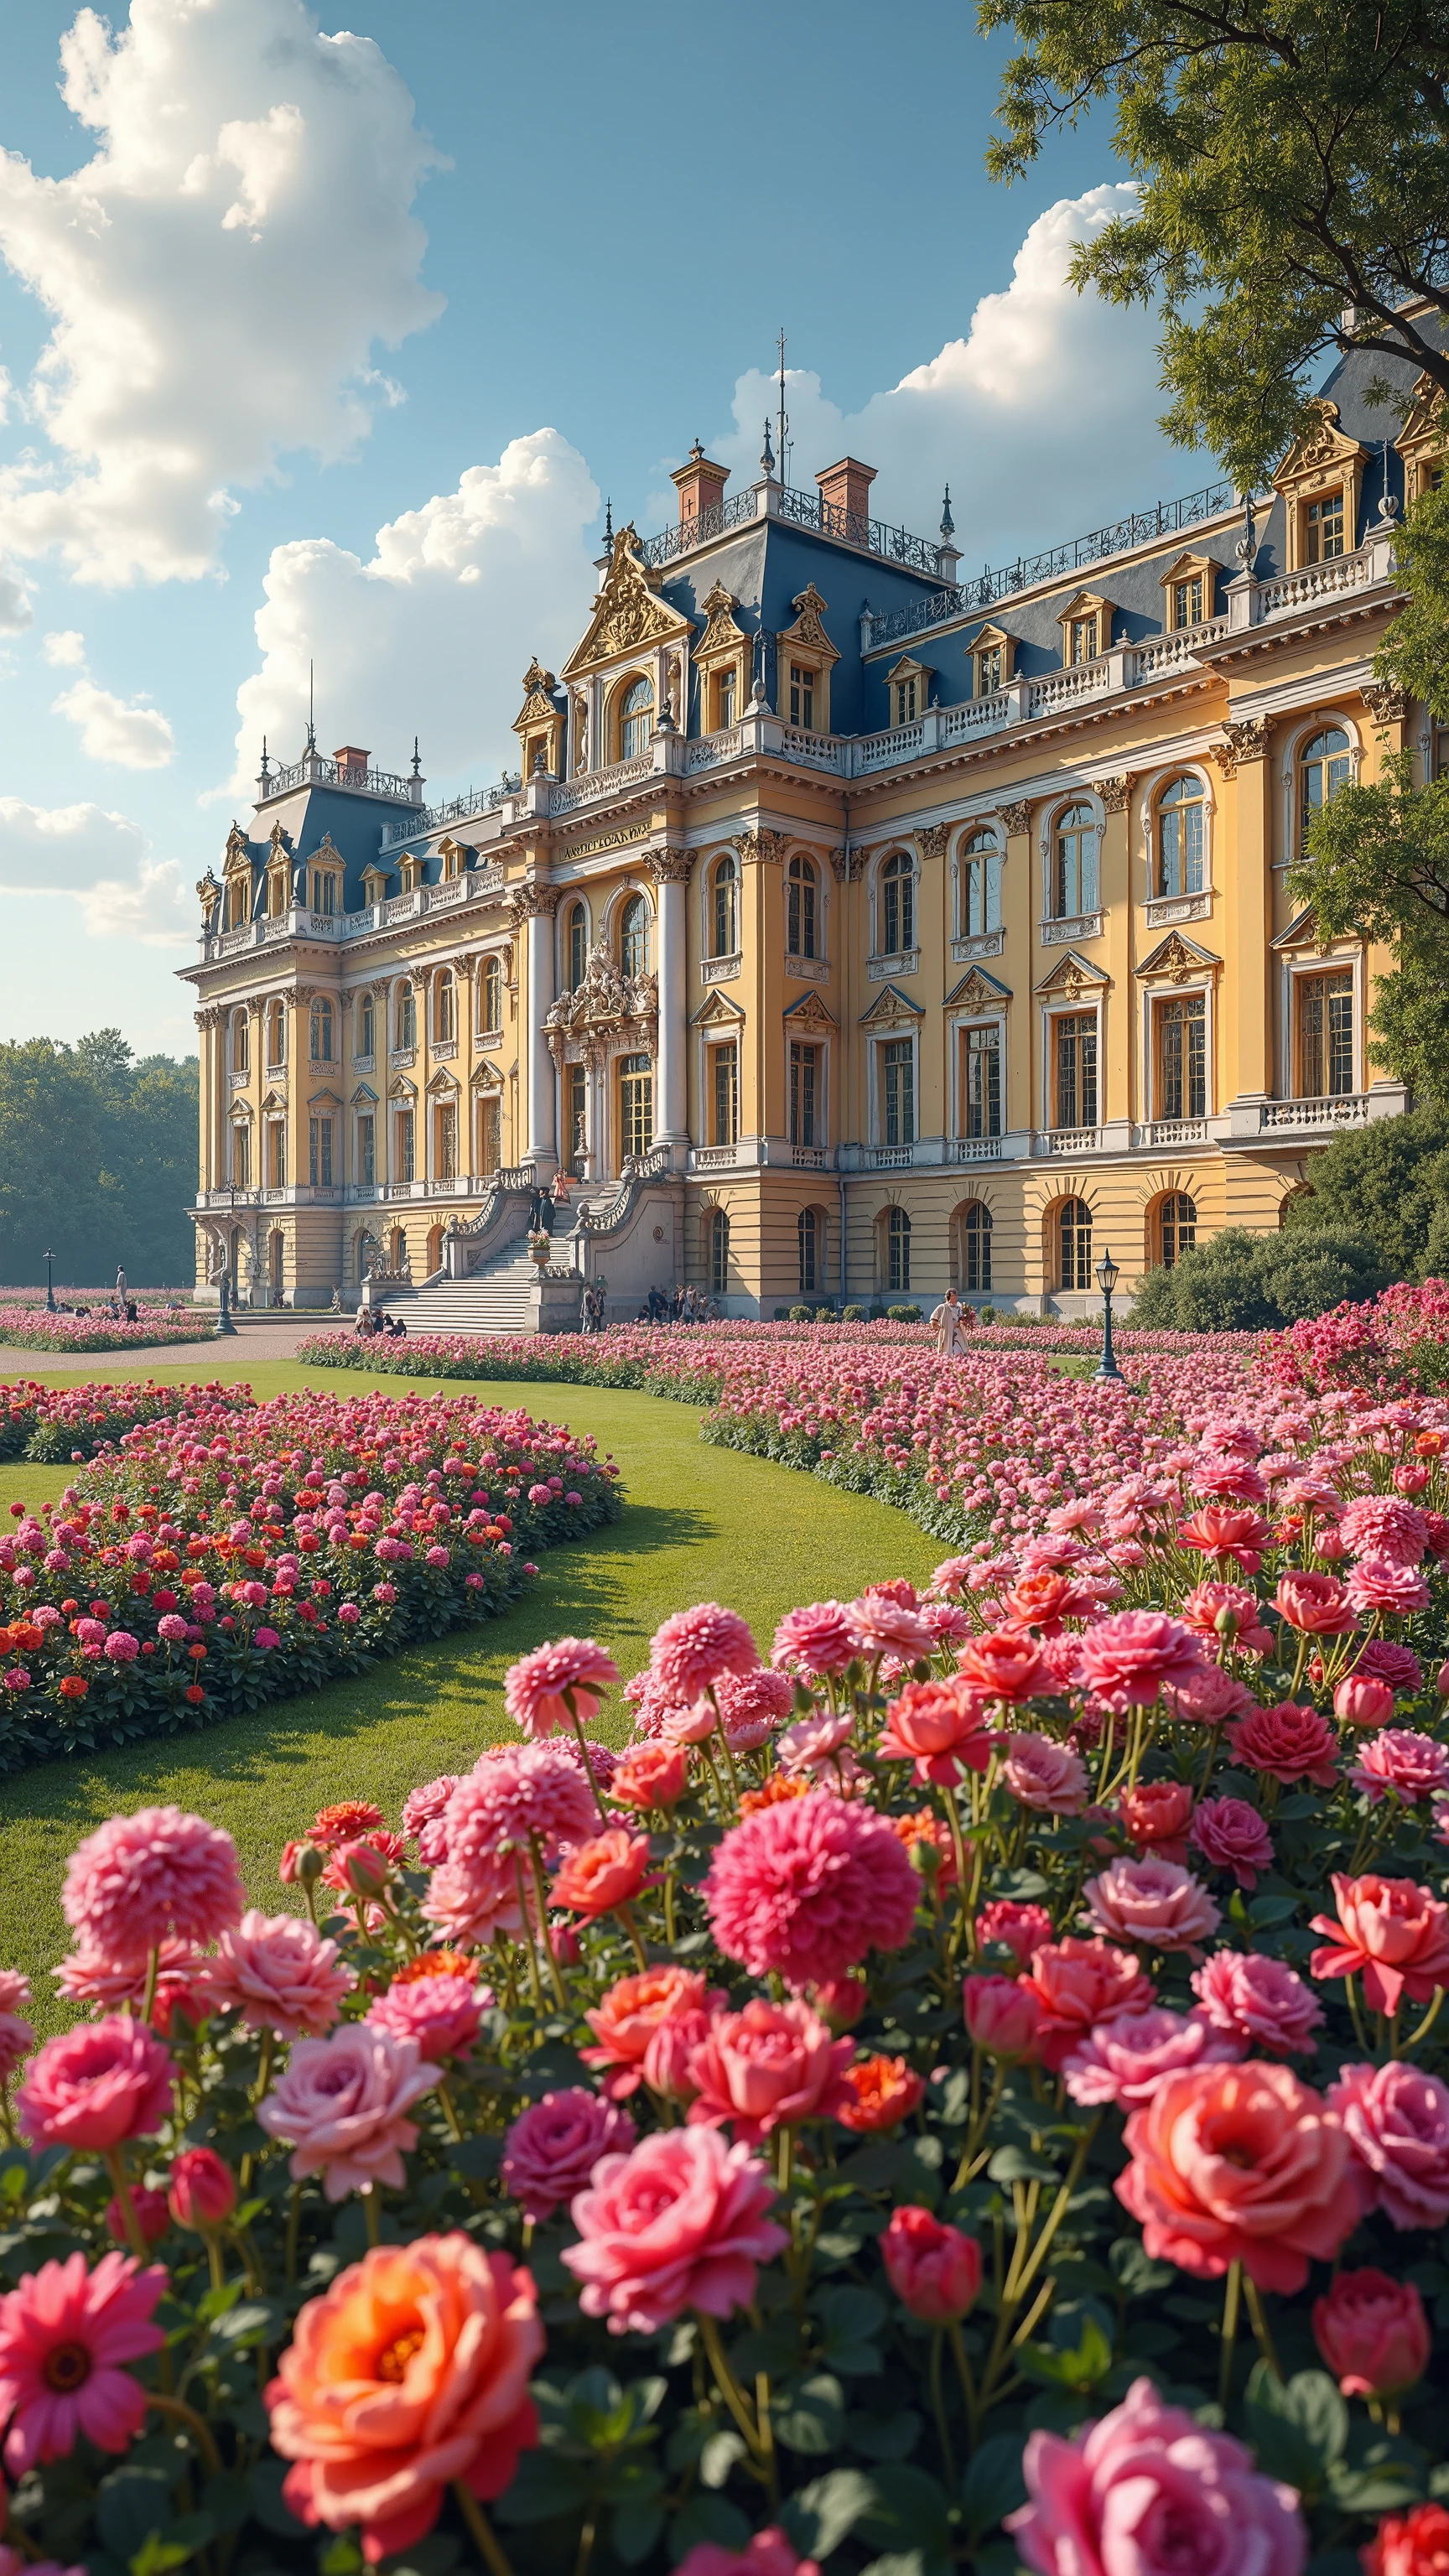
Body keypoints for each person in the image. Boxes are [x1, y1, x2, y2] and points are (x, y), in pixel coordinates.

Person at [929, 1285, 969, 1360]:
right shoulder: (943, 1307)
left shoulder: (959, 1307)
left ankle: (959, 1359)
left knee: (959, 1347)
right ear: (949, 1296)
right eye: (954, 1295)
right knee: (947, 1347)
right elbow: (934, 1319)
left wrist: (963, 1321)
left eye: (956, 1295)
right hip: (947, 1331)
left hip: (957, 1330)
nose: (956, 1297)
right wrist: (940, 1327)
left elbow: (961, 1317)